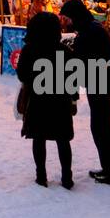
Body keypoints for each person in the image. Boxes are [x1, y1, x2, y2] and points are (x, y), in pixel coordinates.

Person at [60, 0, 110, 186]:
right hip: (100, 83)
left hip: (100, 85)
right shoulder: (90, 29)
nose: (67, 22)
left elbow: (82, 60)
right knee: (101, 128)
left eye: (67, 18)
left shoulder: (90, 32)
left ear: (75, 16)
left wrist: (67, 54)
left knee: (101, 129)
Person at [16, 11, 75, 188]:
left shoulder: (30, 50)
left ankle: (41, 175)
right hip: (61, 101)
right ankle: (67, 177)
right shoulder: (64, 51)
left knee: (38, 138)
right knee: (62, 140)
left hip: (38, 101)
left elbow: (22, 74)